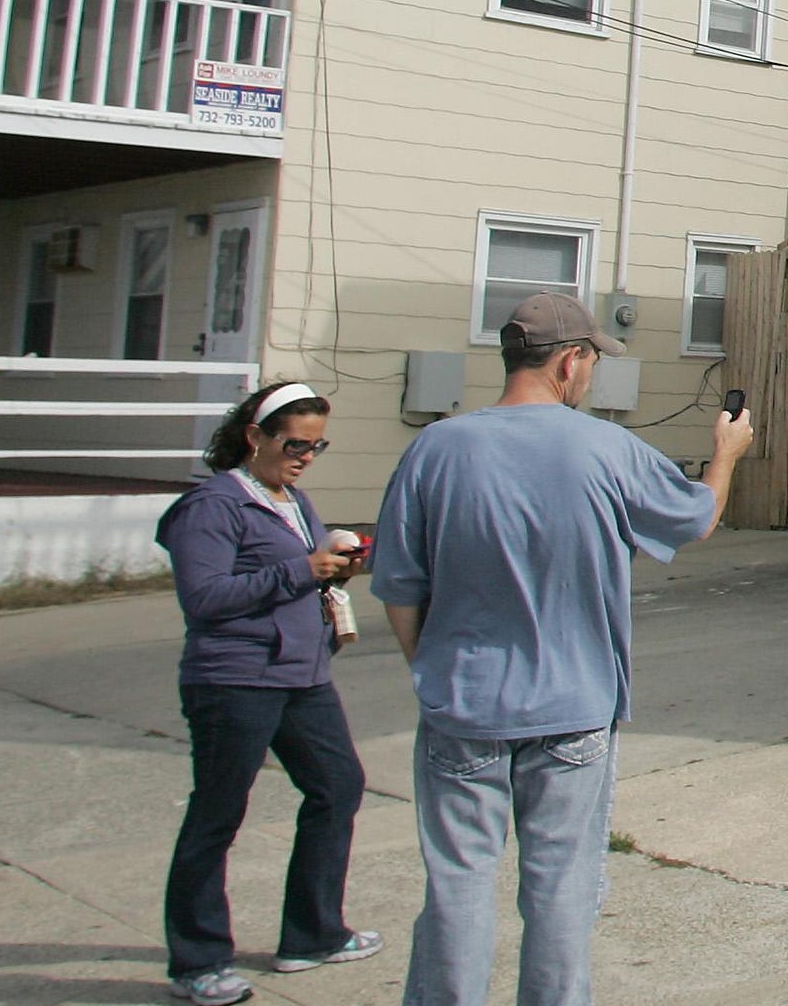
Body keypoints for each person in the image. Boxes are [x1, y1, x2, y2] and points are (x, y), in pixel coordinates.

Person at [369, 292, 756, 1006]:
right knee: (559, 890)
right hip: (574, 710)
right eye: (591, 362)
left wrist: (431, 666)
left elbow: (397, 583)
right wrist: (725, 454)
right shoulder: (606, 447)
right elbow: (697, 517)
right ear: (571, 361)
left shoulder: (435, 449)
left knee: (457, 885)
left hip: (463, 704)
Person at [154, 380, 380, 1005]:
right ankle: (198, 962)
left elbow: (299, 578)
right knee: (217, 814)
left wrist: (335, 568)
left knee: (337, 787)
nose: (305, 456)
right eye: (294, 444)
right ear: (254, 436)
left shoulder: (291, 500)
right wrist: (300, 569)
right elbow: (204, 598)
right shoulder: (212, 506)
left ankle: (312, 935)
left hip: (301, 675)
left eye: (317, 445)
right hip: (233, 680)